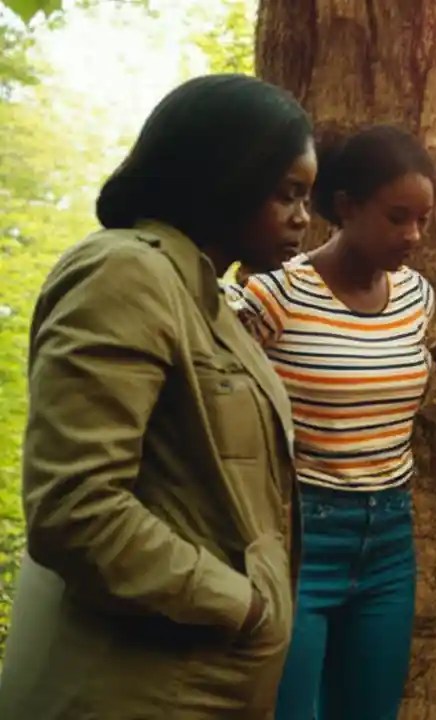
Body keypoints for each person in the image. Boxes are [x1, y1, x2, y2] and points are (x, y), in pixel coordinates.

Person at [0, 74, 315, 719]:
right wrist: (243, 605)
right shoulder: (125, 272)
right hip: (129, 688)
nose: (304, 219)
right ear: (228, 173)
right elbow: (76, 508)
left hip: (198, 681)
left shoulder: (210, 301)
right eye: (289, 194)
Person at [226, 124, 436, 720]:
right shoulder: (275, 296)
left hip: (387, 540)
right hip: (300, 535)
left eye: (423, 219)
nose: (414, 236)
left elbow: (420, 384)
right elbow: (209, 386)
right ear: (346, 207)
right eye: (398, 217)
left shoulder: (413, 296)